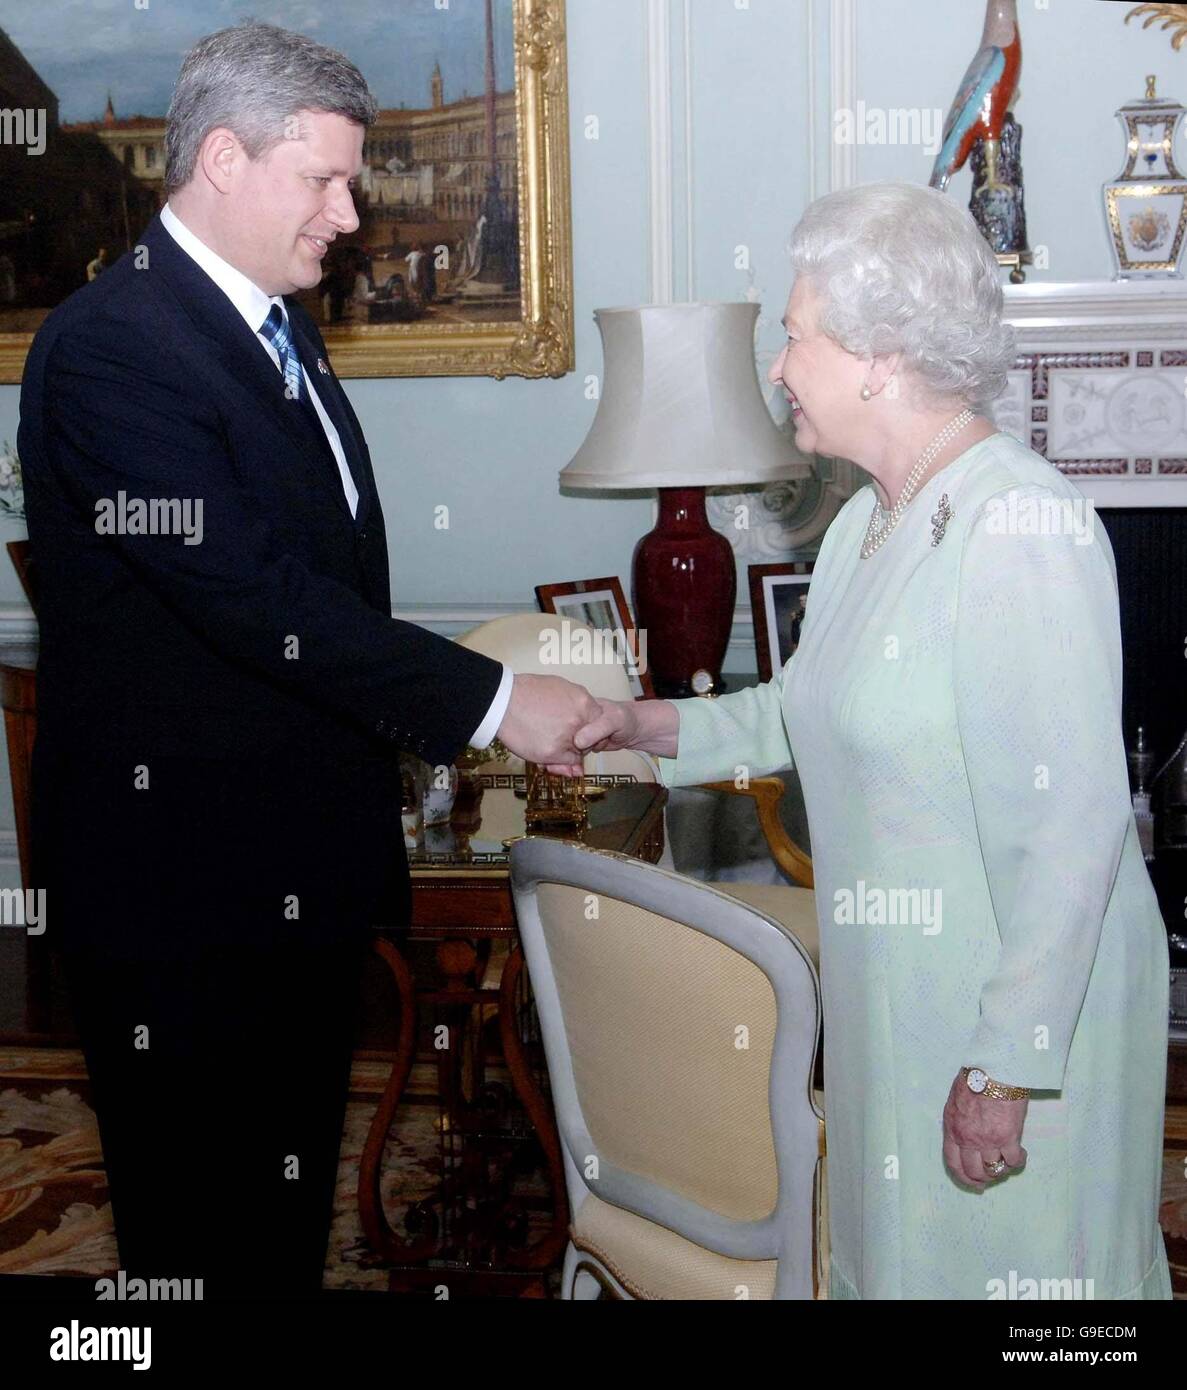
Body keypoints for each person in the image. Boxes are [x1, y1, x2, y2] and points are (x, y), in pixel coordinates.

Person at [18, 21, 594, 1298]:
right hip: (180, 885)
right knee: (194, 1228)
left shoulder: (272, 323)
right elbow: (247, 594)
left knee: (276, 1217)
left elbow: (320, 582)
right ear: (223, 158)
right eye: (322, 179)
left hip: (290, 865)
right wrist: (495, 698)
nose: (349, 212)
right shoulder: (115, 347)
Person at [579, 181, 1172, 1300]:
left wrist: (1003, 1065)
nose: (777, 365)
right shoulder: (866, 518)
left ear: (880, 356)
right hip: (897, 986)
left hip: (1019, 1010)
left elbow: (1071, 825)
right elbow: (803, 708)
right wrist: (638, 724)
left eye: (794, 335)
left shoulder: (1017, 528)